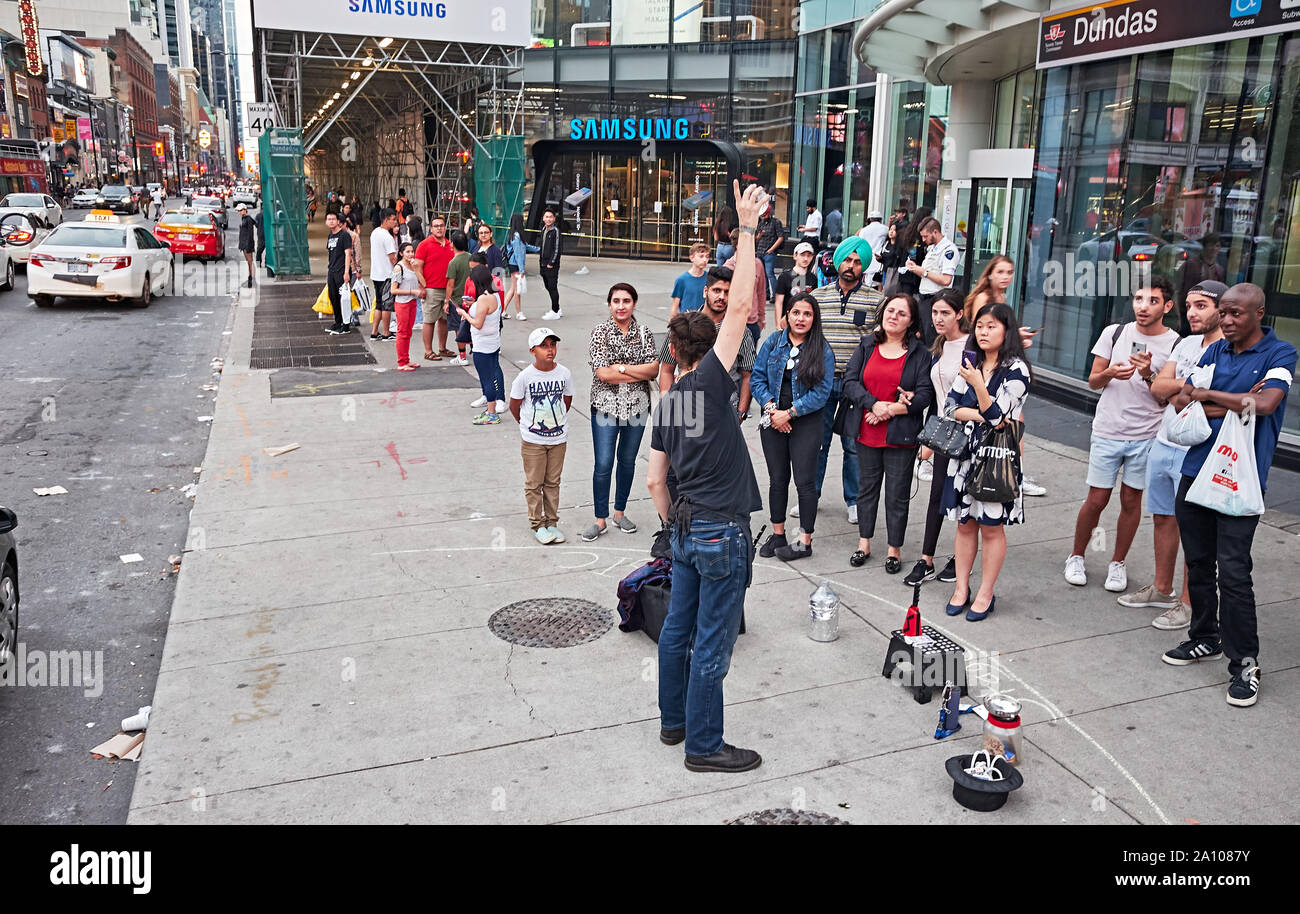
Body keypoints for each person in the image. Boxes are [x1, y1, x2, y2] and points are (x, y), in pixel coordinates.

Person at [646, 179, 766, 774]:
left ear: (675, 350)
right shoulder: (713, 383)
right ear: (707, 348)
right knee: (712, 644)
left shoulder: (668, 403)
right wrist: (745, 231)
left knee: (677, 630)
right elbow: (741, 306)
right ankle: (704, 746)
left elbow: (653, 482)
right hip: (720, 530)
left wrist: (673, 524)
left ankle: (674, 723)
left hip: (689, 531)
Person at [1162, 283, 1296, 707]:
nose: (1227, 320)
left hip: (1240, 480)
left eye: (1237, 313)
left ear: (1259, 313)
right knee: (1198, 562)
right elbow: (1182, 398)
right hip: (1195, 471)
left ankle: (1245, 663)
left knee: (1234, 572)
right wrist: (1235, 400)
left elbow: (1268, 404)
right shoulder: (1215, 352)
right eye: (1223, 312)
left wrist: (1207, 396)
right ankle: (1204, 636)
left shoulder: (1280, 353)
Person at [1064, 277, 1180, 593]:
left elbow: (1167, 398)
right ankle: (1076, 555)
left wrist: (1147, 376)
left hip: (1147, 434)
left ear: (1167, 306)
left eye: (1153, 300)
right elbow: (1093, 382)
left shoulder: (1175, 344)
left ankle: (1118, 562)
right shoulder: (1115, 332)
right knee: (1097, 498)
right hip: (1108, 429)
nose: (1143, 306)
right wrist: (1110, 373)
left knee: (1131, 500)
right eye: (1139, 299)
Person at [1125, 281, 1227, 630]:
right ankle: (1162, 587)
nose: (1192, 312)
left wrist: (1180, 386)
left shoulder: (1228, 350)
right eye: (1189, 305)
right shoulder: (1185, 343)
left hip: (1197, 451)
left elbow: (1209, 396)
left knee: (1193, 529)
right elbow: (1158, 387)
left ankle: (1188, 602)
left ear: (1221, 311)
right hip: (1165, 440)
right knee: (1164, 518)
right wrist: (1190, 388)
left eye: (1202, 306)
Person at [940, 303, 1033, 621]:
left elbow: (1001, 420)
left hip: (996, 460)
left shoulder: (1017, 371)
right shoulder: (971, 362)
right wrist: (985, 412)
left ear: (1007, 331)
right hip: (965, 457)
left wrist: (979, 388)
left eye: (991, 325)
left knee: (991, 528)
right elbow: (950, 408)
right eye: (979, 325)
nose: (983, 331)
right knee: (965, 524)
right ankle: (961, 588)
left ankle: (985, 591)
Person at [841, 293, 935, 570]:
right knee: (866, 490)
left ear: (911, 321)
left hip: (900, 435)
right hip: (866, 431)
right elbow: (850, 382)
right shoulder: (867, 344)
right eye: (890, 310)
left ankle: (894, 549)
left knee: (897, 494)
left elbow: (924, 396)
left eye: (901, 313)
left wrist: (890, 409)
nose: (893, 316)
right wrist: (873, 404)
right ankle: (864, 543)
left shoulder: (920, 354)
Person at [805, 235, 882, 526]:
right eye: (847, 259)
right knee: (817, 443)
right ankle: (811, 495)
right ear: (838, 261)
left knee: (852, 445)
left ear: (864, 267)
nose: (851, 266)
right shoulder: (818, 297)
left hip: (856, 385)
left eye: (858, 261)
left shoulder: (876, 300)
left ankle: (854, 501)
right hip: (822, 382)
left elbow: (878, 343)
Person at [753, 291, 834, 562]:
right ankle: (778, 534)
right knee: (777, 480)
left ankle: (804, 541)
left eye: (807, 314)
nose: (800, 318)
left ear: (815, 318)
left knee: (805, 482)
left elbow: (822, 392)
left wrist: (789, 413)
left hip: (806, 422)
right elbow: (757, 379)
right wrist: (771, 409)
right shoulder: (773, 342)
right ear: (786, 314)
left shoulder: (822, 349)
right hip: (773, 418)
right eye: (796, 312)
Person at [581, 283, 659, 542]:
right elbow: (602, 373)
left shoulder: (645, 332)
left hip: (637, 408)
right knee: (603, 463)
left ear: (634, 303)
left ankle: (619, 512)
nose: (621, 306)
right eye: (616, 301)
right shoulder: (600, 332)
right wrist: (634, 369)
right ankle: (599, 519)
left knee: (627, 461)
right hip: (605, 407)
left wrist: (622, 369)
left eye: (626, 301)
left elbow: (653, 370)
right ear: (609, 304)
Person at [908, 288, 969, 586]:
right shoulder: (939, 346)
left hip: (970, 434)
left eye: (945, 312)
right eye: (934, 312)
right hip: (945, 433)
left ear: (959, 313)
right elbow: (936, 396)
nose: (938, 318)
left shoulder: (972, 346)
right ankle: (926, 560)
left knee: (963, 498)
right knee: (936, 498)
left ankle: (960, 558)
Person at [657, 266, 755, 422]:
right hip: (686, 410)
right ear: (705, 291)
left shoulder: (739, 332)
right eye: (716, 290)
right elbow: (667, 369)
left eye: (727, 292)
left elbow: (747, 376)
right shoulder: (684, 325)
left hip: (725, 412)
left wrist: (740, 414)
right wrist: (668, 407)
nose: (721, 297)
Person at [510, 327, 575, 545]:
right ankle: (537, 524)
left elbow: (567, 400)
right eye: (544, 346)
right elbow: (515, 405)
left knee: (552, 482)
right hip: (534, 441)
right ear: (532, 350)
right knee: (534, 483)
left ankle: (552, 522)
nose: (550, 350)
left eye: (552, 345)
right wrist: (526, 425)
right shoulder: (525, 377)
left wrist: (555, 421)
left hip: (558, 438)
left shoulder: (564, 373)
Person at [459, 262, 506, 425]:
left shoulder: (483, 299)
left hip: (482, 345)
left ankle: (492, 413)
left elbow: (478, 323)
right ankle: (490, 410)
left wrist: (464, 313)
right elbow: (487, 313)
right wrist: (474, 306)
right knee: (491, 375)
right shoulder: (493, 296)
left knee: (486, 379)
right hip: (493, 342)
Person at [904, 217, 958, 345]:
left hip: (935, 298)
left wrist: (923, 272)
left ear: (935, 232)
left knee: (931, 340)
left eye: (925, 236)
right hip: (924, 299)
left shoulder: (948, 250)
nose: (924, 240)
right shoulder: (932, 248)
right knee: (920, 337)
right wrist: (916, 268)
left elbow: (946, 279)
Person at [415, 215, 455, 361]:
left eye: (442, 225)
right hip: (431, 289)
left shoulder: (450, 244)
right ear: (431, 229)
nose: (439, 228)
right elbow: (417, 267)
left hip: (448, 289)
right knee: (429, 320)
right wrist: (423, 286)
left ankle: (442, 348)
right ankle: (428, 351)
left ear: (445, 227)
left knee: (444, 320)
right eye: (436, 226)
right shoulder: (424, 245)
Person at [389, 242, 425, 371]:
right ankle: (401, 362)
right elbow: (393, 290)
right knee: (402, 332)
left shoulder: (413, 266)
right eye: (407, 252)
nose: (410, 254)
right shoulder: (399, 268)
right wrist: (412, 292)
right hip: (403, 303)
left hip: (412, 302)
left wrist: (416, 269)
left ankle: (406, 360)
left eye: (412, 251)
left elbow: (424, 283)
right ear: (401, 253)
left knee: (408, 332)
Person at [724, 246, 767, 349]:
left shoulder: (757, 264)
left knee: (750, 361)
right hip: (732, 322)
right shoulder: (727, 267)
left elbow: (761, 293)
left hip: (752, 322)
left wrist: (761, 318)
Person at [369, 209, 400, 341]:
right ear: (386, 220)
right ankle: (386, 333)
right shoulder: (387, 237)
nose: (395, 222)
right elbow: (392, 258)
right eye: (393, 219)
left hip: (376, 274)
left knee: (379, 304)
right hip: (386, 274)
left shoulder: (375, 232)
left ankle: (374, 332)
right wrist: (399, 269)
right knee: (387, 305)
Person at [324, 211, 355, 335]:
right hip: (332, 271)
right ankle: (338, 321)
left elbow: (348, 254)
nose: (331, 221)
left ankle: (346, 324)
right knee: (333, 297)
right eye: (329, 219)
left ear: (338, 221)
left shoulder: (344, 235)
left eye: (333, 219)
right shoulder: (330, 236)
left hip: (342, 271)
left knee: (344, 299)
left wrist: (347, 272)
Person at [444, 230, 473, 365]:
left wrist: (446, 301)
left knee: (459, 329)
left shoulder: (453, 262)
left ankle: (462, 356)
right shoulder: (471, 257)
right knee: (473, 326)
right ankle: (475, 350)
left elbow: (450, 285)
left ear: (453, 244)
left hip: (457, 301)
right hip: (472, 300)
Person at [774, 242, 816, 330]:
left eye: (809, 255)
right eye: (802, 255)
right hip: (787, 322)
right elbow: (779, 302)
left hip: (805, 323)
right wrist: (778, 325)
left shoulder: (813, 278)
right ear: (795, 256)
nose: (805, 258)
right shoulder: (784, 277)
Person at [504, 213, 539, 320]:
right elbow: (518, 253)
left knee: (513, 288)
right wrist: (522, 269)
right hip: (516, 265)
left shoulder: (514, 235)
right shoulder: (517, 236)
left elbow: (526, 246)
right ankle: (519, 313)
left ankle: (503, 311)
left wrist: (539, 249)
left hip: (513, 264)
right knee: (516, 290)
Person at [965, 255, 1015, 325]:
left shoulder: (1002, 297)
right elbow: (977, 327)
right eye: (1000, 272)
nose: (1005, 277)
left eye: (1009, 272)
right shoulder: (983, 298)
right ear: (990, 274)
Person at [755, 199, 786, 303]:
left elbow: (781, 237)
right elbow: (756, 239)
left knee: (769, 273)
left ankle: (776, 295)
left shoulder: (776, 222)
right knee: (762, 274)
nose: (763, 217)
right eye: (761, 215)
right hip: (760, 251)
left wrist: (772, 249)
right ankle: (766, 294)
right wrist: (759, 236)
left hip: (769, 251)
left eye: (764, 215)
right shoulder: (761, 223)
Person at [670, 243, 711, 319]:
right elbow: (675, 306)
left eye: (707, 256)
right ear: (692, 258)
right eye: (701, 256)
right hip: (686, 321)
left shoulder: (710, 279)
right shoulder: (682, 280)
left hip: (704, 321)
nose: (705, 260)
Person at [539, 208, 562, 320]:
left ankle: (555, 310)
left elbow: (557, 248)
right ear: (543, 218)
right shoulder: (543, 229)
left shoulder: (555, 231)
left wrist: (551, 263)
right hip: (543, 263)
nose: (548, 219)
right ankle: (557, 307)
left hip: (551, 265)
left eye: (550, 217)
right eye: (546, 217)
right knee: (547, 286)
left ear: (554, 219)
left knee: (552, 287)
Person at [858, 210, 888, 287]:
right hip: (879, 259)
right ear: (880, 219)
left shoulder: (863, 230)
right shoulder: (885, 229)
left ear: (870, 219)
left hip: (867, 258)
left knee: (867, 284)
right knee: (879, 284)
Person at [236, 204, 256, 288]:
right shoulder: (244, 219)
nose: (239, 212)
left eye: (240, 210)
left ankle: (252, 279)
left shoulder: (248, 219)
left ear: (245, 210)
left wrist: (248, 245)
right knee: (249, 262)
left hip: (247, 244)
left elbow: (250, 234)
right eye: (238, 211)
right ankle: (250, 278)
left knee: (250, 262)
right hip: (244, 244)